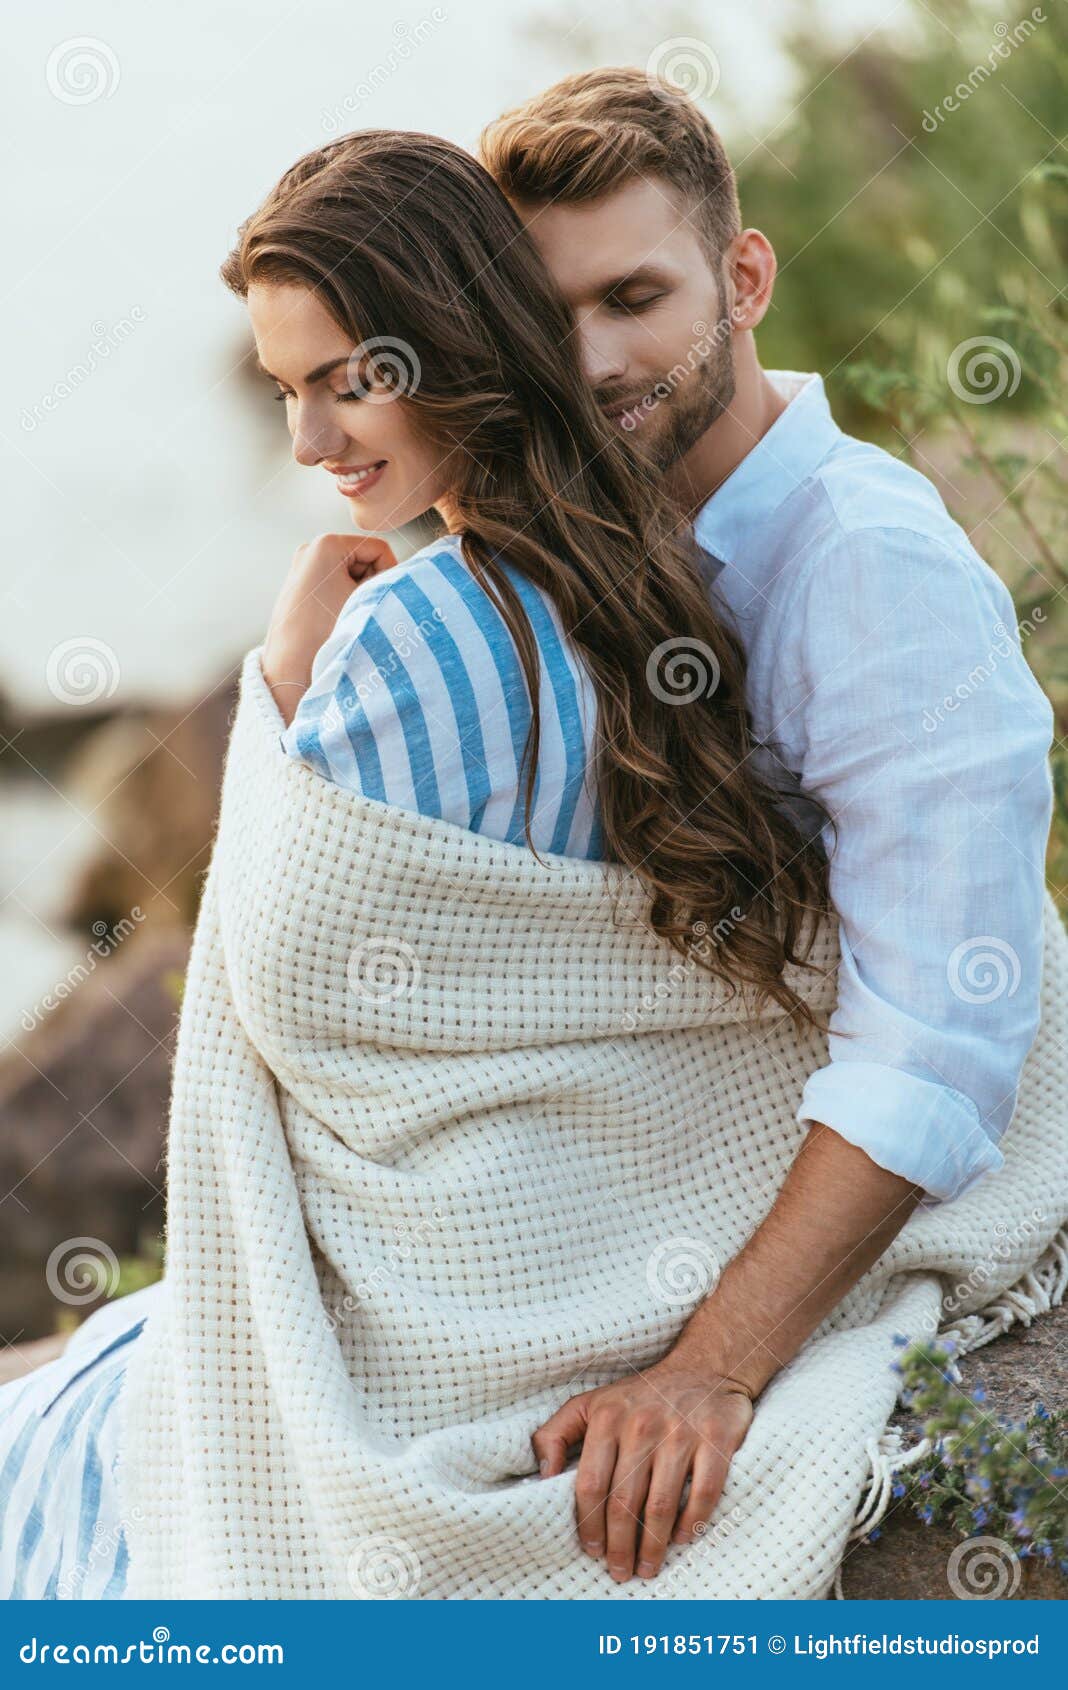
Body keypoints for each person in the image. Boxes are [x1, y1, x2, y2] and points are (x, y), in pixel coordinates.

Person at [0, 125, 839, 1597]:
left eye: (349, 382)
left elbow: (272, 996)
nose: (310, 443)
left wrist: (276, 685)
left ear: (458, 342)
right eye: (285, 392)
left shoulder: (398, 637)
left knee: (52, 1447)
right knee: (72, 1370)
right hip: (608, 1253)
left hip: (437, 1310)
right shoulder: (666, 573)